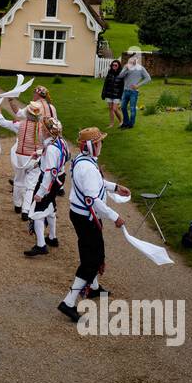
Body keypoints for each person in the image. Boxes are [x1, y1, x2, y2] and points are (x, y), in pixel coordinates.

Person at [58, 127, 130, 323]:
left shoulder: (84, 161)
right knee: (92, 259)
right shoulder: (88, 167)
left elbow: (97, 183)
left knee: (93, 252)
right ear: (90, 146)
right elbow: (93, 200)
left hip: (82, 215)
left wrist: (115, 187)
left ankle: (94, 287)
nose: (102, 145)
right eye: (99, 142)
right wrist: (115, 216)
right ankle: (69, 302)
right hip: (86, 217)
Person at [24, 116, 71, 256]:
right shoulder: (61, 141)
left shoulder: (50, 149)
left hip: (48, 181)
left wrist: (41, 192)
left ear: (47, 132)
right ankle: (52, 237)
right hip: (59, 178)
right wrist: (39, 153)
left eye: (43, 129)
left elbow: (50, 172)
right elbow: (60, 156)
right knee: (50, 207)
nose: (41, 131)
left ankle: (41, 245)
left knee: (37, 211)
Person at [118, 54, 151, 129]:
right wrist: (126, 68)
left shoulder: (141, 69)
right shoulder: (126, 67)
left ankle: (131, 124)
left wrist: (138, 85)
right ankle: (125, 123)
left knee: (132, 108)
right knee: (123, 107)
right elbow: (120, 76)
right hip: (125, 91)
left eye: (135, 59)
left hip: (134, 92)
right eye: (132, 59)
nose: (134, 60)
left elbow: (148, 78)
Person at [100, 60, 124, 127]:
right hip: (109, 94)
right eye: (113, 65)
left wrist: (121, 96)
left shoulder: (121, 74)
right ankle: (111, 124)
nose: (114, 66)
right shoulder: (109, 73)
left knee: (115, 109)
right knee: (110, 109)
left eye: (115, 65)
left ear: (118, 66)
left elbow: (122, 86)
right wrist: (103, 93)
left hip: (117, 95)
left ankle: (121, 121)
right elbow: (105, 84)